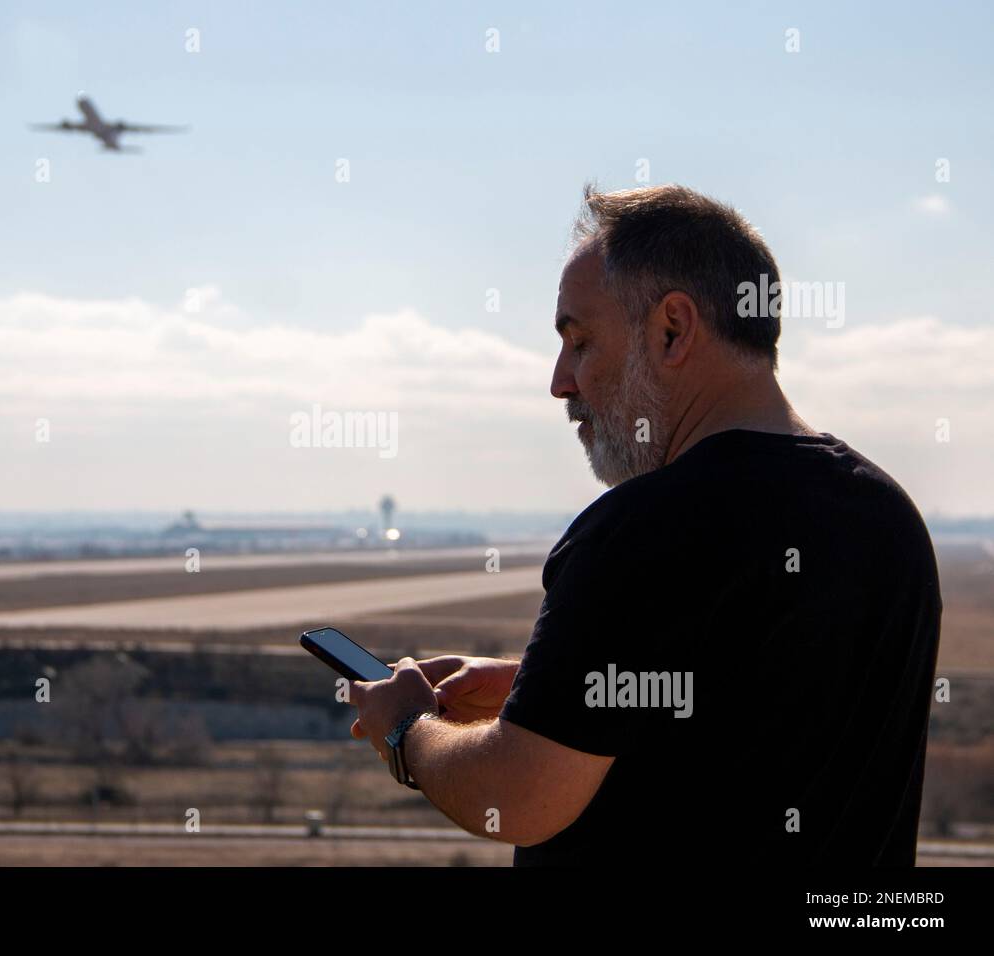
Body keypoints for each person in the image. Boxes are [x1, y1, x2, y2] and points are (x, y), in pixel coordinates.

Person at [347, 184, 943, 865]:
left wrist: (407, 727)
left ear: (672, 329)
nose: (560, 381)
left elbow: (518, 796)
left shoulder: (644, 532)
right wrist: (546, 693)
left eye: (579, 340)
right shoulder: (887, 519)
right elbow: (762, 712)